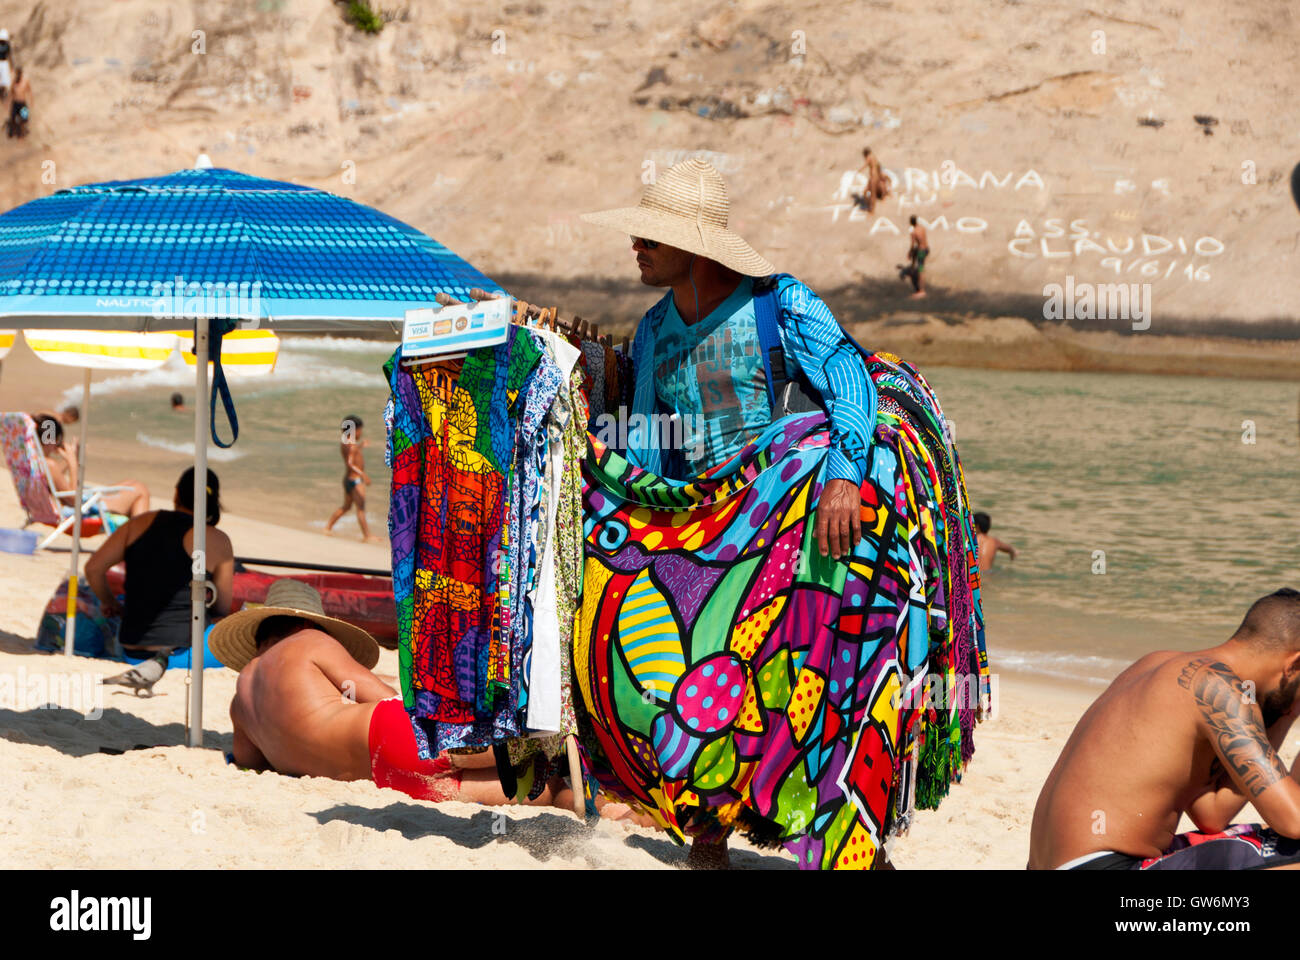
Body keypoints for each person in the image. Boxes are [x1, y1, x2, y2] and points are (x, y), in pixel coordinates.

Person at [580, 158, 880, 866]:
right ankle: (707, 833)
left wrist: (843, 477)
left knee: (799, 679)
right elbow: (653, 442)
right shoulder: (655, 330)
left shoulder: (782, 305)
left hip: (785, 523)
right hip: (702, 529)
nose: (637, 246)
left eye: (653, 236)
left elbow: (850, 381)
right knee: (684, 673)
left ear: (696, 244)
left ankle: (837, 833)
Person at [213, 579, 644, 820]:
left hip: (385, 778)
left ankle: (613, 813)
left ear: (259, 633)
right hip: (390, 734)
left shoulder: (240, 699)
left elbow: (250, 762)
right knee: (541, 746)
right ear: (308, 621)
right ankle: (622, 778)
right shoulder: (308, 641)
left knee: (541, 791)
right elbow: (377, 695)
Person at [1029, 589, 1300, 870]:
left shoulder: (1158, 663)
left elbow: (1213, 814)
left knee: (1262, 838)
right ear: (1294, 664)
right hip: (1105, 866)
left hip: (1063, 864)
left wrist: (1287, 712)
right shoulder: (1219, 687)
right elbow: (1293, 820)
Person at [89, 467, 234, 693]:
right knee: (237, 630)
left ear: (176, 494)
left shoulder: (139, 523)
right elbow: (222, 609)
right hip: (178, 657)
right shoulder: (217, 540)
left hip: (130, 650)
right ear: (213, 501)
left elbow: (93, 568)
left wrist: (111, 603)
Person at [32, 413, 150, 518]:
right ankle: (139, 539)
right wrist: (73, 464)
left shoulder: (34, 461)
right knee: (140, 489)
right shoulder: (49, 464)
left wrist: (73, 458)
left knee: (130, 483)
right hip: (75, 512)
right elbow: (74, 500)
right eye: (57, 440)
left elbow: (54, 479)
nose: (56, 446)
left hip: (61, 507)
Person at [324, 414, 379, 542]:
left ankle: (328, 527)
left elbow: (351, 452)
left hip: (347, 479)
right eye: (360, 430)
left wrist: (360, 446)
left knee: (346, 507)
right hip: (355, 480)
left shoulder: (346, 442)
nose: (361, 433)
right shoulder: (351, 444)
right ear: (355, 430)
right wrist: (363, 474)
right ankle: (367, 536)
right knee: (361, 508)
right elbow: (350, 463)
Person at [899, 215, 929, 297]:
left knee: (920, 269)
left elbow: (912, 245)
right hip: (926, 249)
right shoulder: (922, 228)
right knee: (915, 254)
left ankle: (921, 291)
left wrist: (909, 253)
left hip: (921, 252)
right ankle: (912, 268)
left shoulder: (914, 232)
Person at [856, 146, 889, 213]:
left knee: (872, 194)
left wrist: (858, 171)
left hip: (873, 177)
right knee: (865, 192)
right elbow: (878, 165)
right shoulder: (874, 156)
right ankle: (869, 205)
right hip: (875, 176)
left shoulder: (869, 157)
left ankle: (872, 209)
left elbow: (865, 165)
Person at [7, 65, 28, 139]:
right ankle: (15, 132)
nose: (18, 74)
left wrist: (32, 101)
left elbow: (29, 91)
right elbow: (11, 92)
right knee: (13, 118)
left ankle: (22, 133)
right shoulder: (14, 82)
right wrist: (8, 102)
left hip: (23, 103)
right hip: (15, 103)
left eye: (19, 73)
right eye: (17, 73)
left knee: (24, 119)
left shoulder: (25, 81)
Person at [0, 30, 11, 102]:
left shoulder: (7, 46)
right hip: (3, 62)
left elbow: (9, 56)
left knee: (4, 79)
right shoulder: (7, 46)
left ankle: (3, 93)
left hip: (4, 63)